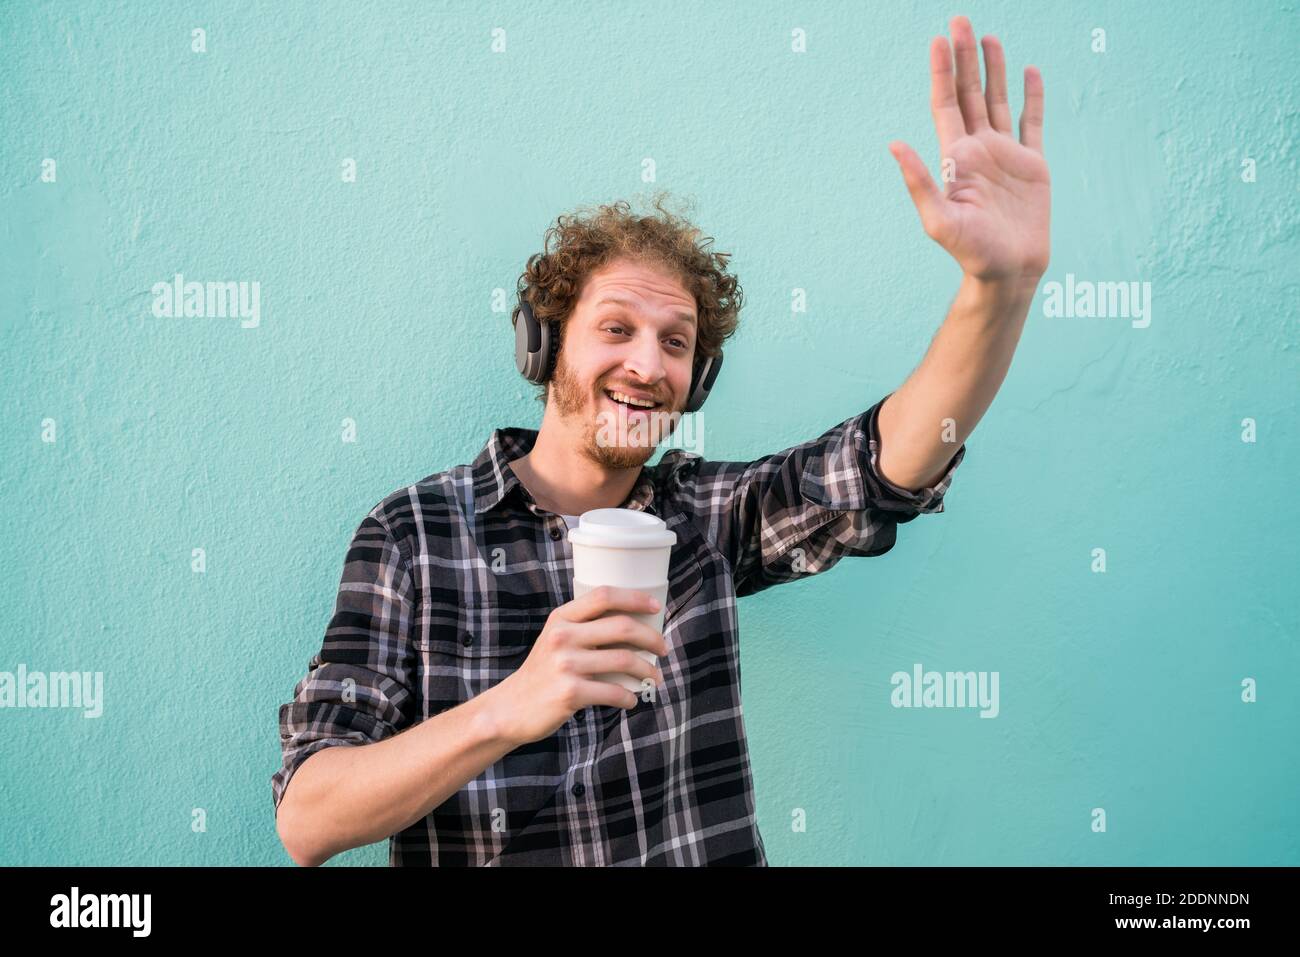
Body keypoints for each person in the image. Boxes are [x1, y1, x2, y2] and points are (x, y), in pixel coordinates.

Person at [271, 14, 1049, 866]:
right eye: (616, 328)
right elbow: (308, 817)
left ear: (698, 378)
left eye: (675, 342)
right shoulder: (412, 534)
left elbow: (882, 465)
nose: (647, 364)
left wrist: (996, 288)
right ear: (544, 344)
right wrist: (516, 703)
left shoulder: (705, 516)